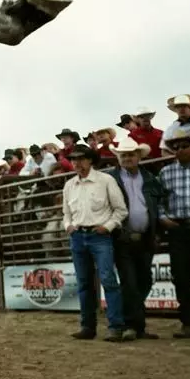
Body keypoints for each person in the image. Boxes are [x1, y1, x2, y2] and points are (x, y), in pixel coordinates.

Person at [61, 144, 129, 342]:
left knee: (108, 279)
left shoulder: (105, 180)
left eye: (81, 159)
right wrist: (68, 226)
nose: (77, 163)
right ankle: (88, 326)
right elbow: (66, 213)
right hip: (78, 235)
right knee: (84, 282)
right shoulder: (69, 185)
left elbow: (120, 210)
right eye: (73, 159)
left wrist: (107, 227)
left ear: (90, 160)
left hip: (100, 235)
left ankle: (115, 326)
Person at [106, 138, 167, 339]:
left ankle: (134, 323)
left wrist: (157, 232)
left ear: (139, 156)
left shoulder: (149, 178)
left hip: (145, 237)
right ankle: (132, 325)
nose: (127, 158)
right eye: (123, 155)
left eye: (131, 154)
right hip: (121, 238)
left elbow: (159, 204)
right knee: (129, 281)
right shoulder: (110, 179)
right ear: (118, 158)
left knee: (144, 280)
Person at [158, 128, 190, 339]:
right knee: (181, 277)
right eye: (175, 147)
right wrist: (163, 218)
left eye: (184, 146)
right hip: (178, 227)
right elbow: (159, 200)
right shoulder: (166, 173)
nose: (179, 150)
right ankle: (189, 324)